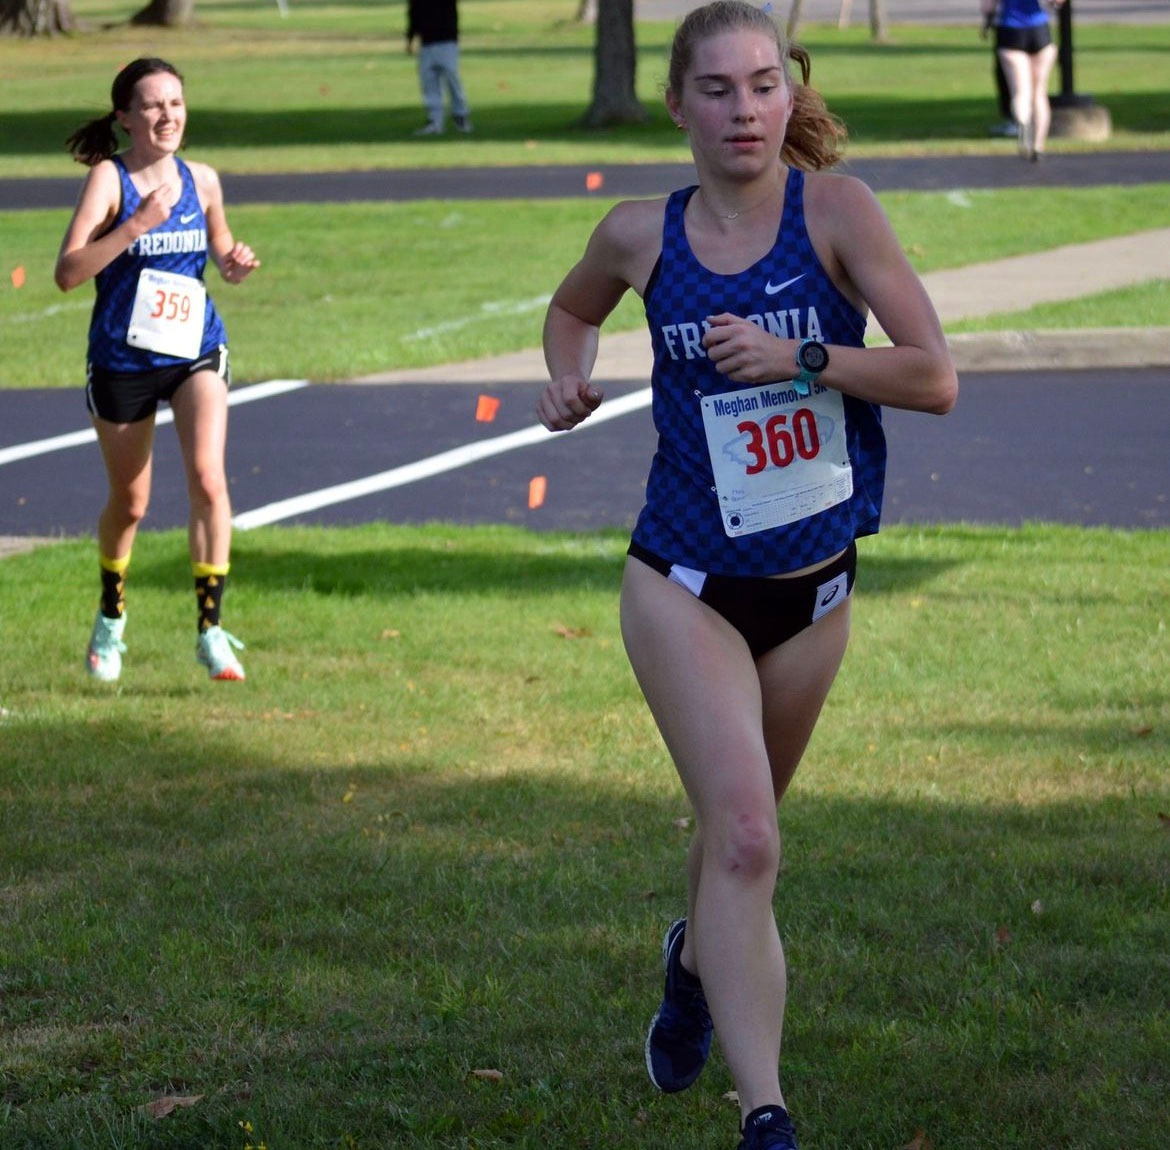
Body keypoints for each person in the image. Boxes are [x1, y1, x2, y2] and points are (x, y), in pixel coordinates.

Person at [537, 3, 957, 1148]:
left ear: (789, 91)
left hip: (814, 590)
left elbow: (933, 376)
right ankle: (765, 1113)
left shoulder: (836, 212)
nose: (745, 110)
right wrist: (565, 380)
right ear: (677, 104)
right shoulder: (641, 235)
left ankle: (690, 964)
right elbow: (570, 310)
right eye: (717, 90)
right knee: (746, 836)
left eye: (764, 85)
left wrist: (801, 356)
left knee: (742, 835)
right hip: (684, 581)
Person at [55, 57, 260, 683]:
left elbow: (220, 247)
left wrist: (233, 261)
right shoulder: (109, 183)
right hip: (123, 358)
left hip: (195, 347)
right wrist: (137, 224)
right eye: (152, 105)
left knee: (207, 477)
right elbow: (68, 272)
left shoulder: (202, 179)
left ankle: (211, 630)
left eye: (175, 102)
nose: (167, 114)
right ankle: (111, 619)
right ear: (125, 118)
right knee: (133, 502)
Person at [981, 0, 1066, 160]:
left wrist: (987, 20)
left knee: (1020, 92)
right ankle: (1038, 145)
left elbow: (987, 6)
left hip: (1010, 31)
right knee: (1039, 93)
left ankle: (1022, 127)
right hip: (1040, 32)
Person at [406, 0, 473, 136]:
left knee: (452, 79)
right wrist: (410, 38)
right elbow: (413, 15)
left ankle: (460, 116)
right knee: (428, 82)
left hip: (447, 40)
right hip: (426, 42)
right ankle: (434, 120)